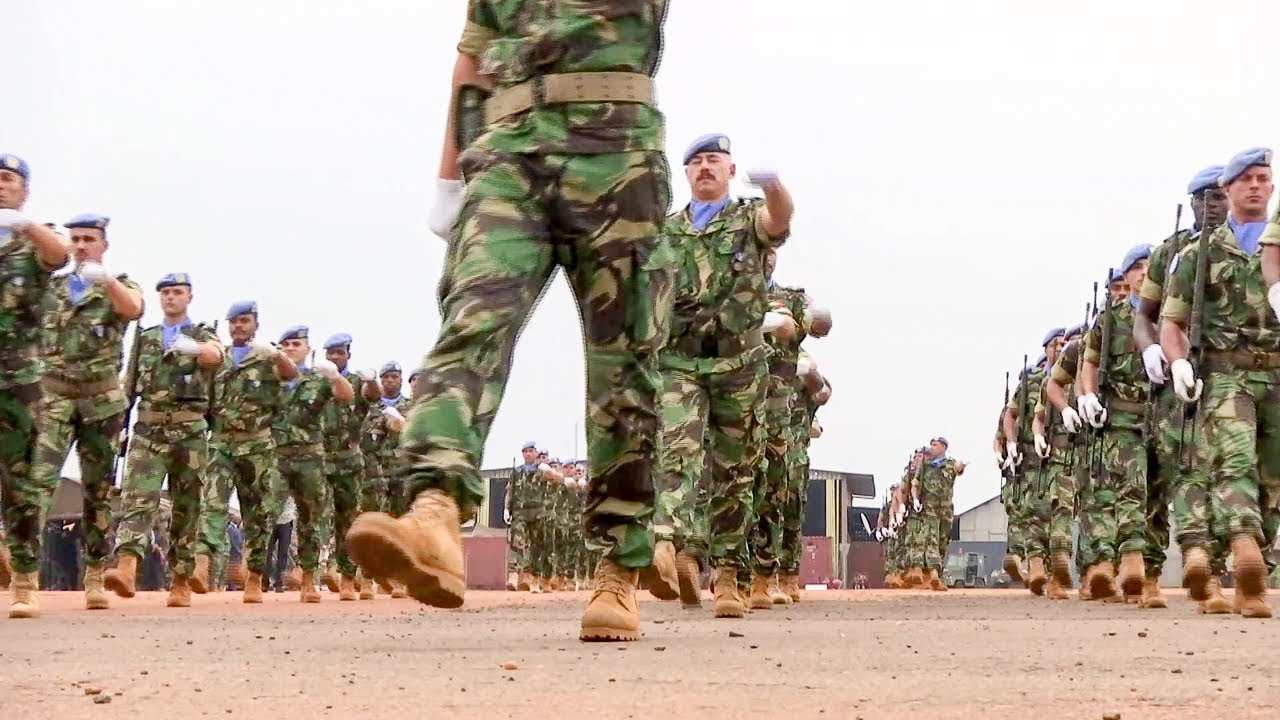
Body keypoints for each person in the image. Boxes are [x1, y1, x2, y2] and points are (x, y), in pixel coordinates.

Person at [348, 1, 677, 643]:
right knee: (472, 321)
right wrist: (448, 180)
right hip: (508, 155)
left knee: (623, 366)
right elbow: (471, 65)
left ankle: (619, 565)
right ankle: (436, 513)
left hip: (617, 155)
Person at [653, 132, 793, 619]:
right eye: (696, 162)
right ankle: (668, 545)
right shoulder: (667, 231)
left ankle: (730, 574)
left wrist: (773, 185)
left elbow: (779, 219)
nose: (705, 168)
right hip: (680, 361)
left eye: (714, 160)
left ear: (730, 170)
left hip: (738, 364)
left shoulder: (747, 220)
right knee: (679, 451)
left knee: (735, 472)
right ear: (686, 173)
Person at [1164, 147, 1276, 618]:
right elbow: (1171, 321)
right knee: (1235, 459)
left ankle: (1254, 576)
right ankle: (1245, 547)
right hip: (1227, 373)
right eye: (1245, 179)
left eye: (1263, 178)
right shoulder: (1197, 254)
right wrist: (1177, 363)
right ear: (1228, 190)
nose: (1255, 186)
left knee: (1273, 475)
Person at [26, 213, 143, 612]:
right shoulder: (52, 287)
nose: (80, 246)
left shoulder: (120, 285)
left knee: (97, 491)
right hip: (54, 398)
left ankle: (94, 574)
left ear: (103, 245)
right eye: (74, 239)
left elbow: (133, 309)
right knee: (39, 482)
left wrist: (105, 280)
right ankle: (25, 578)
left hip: (100, 402)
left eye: (88, 239)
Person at [105, 273, 224, 607]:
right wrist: (120, 427)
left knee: (186, 506)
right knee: (137, 499)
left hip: (190, 433)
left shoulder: (202, 334)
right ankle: (127, 566)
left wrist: (196, 349)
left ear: (189, 297)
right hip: (149, 430)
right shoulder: (147, 338)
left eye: (177, 292)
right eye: (166, 292)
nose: (171, 297)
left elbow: (217, 356)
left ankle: (181, 579)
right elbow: (129, 385)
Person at [0, 153, 72, 619]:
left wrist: (22, 223)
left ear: (24, 190)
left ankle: (24, 580)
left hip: (17, 379)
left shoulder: (33, 239)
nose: (0, 186)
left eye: (8, 180)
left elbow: (60, 255)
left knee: (21, 482)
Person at [195, 300, 298, 602]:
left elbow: (291, 374)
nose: (238, 326)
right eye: (234, 322)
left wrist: (277, 355)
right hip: (222, 443)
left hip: (257, 446)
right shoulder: (221, 358)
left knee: (256, 513)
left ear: (255, 324)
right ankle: (201, 563)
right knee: (212, 504)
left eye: (244, 321)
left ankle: (254, 575)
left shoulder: (266, 357)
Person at [273, 325, 354, 603]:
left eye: (296, 344)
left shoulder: (317, 378)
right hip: (276, 455)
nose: (290, 349)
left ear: (308, 349)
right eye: (286, 345)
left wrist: (334, 376)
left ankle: (309, 577)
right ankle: (253, 576)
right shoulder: (271, 378)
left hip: (311, 458)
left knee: (310, 518)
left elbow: (347, 396)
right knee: (263, 511)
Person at [321, 333, 379, 600]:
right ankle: (325, 568)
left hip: (349, 461)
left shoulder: (356, 382)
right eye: (330, 353)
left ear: (348, 355)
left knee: (347, 520)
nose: (334, 357)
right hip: (320, 458)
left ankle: (347, 578)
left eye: (339, 353)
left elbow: (372, 396)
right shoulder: (317, 381)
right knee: (319, 516)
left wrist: (372, 381)